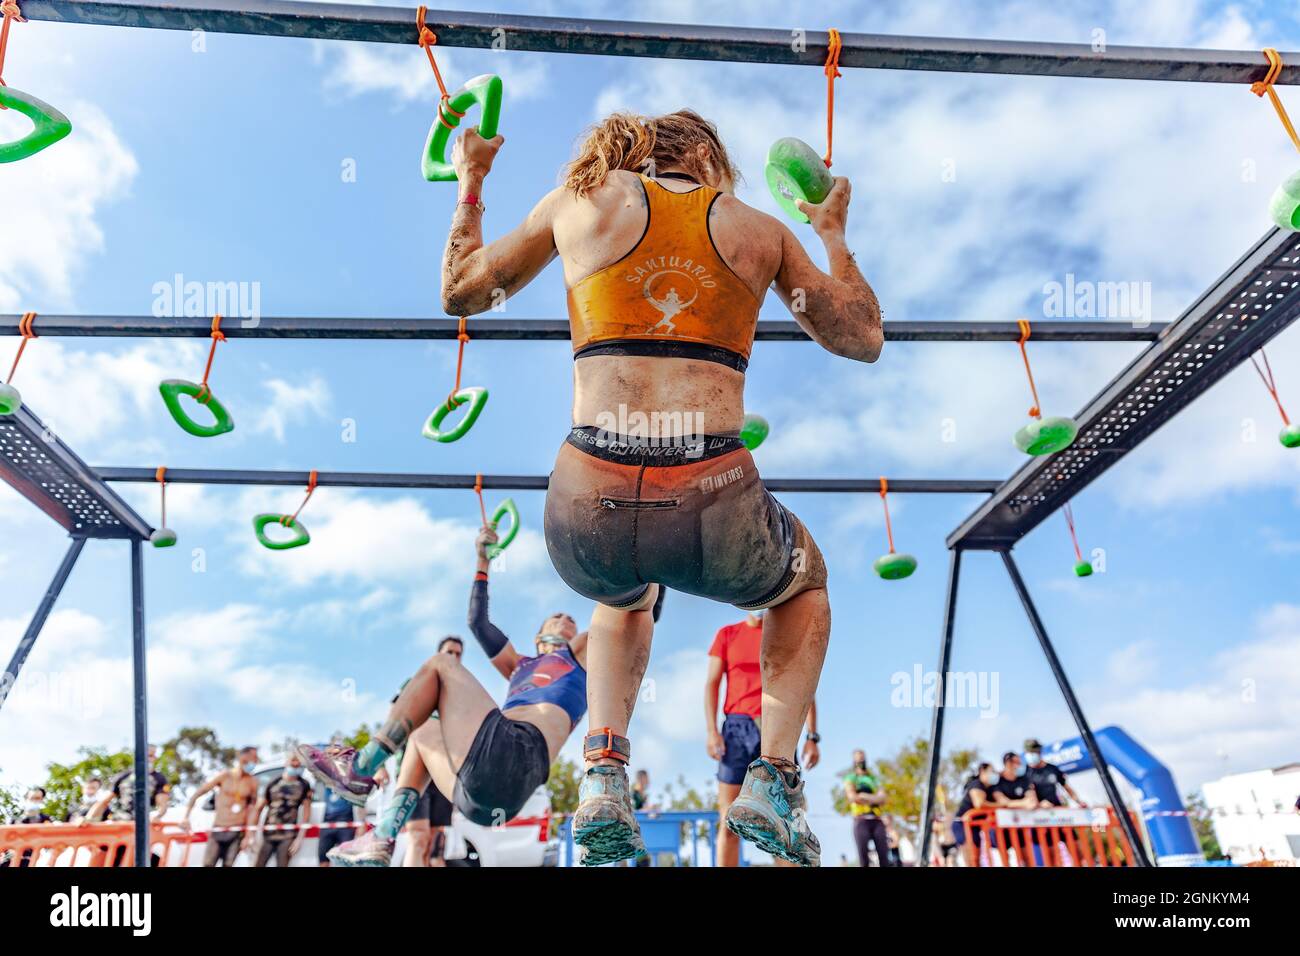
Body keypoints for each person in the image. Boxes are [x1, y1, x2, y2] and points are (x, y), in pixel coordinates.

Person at [436, 108, 881, 866]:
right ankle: (773, 777)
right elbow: (861, 337)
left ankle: (604, 773)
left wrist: (471, 180)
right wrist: (832, 231)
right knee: (803, 585)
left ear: (632, 151)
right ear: (710, 160)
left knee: (621, 594)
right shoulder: (758, 230)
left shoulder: (577, 203)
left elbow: (462, 293)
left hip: (584, 498)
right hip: (710, 486)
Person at [299, 526, 667, 866]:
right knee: (423, 732)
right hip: (481, 795)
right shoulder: (519, 665)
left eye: (570, 619)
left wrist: (651, 548)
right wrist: (482, 560)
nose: (565, 618)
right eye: (557, 617)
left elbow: (630, 614)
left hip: (523, 752)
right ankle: (381, 838)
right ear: (539, 636)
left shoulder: (579, 657)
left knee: (442, 663)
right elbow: (478, 623)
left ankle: (360, 769)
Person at [705, 610, 820, 867]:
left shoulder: (783, 634)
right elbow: (712, 683)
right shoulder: (727, 635)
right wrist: (712, 731)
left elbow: (802, 685)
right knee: (729, 819)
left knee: (783, 821)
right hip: (736, 728)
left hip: (776, 726)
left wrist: (812, 736)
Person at [385, 637, 464, 868]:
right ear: (438, 655)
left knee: (436, 842)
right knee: (418, 838)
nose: (454, 657)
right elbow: (394, 720)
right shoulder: (418, 682)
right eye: (449, 652)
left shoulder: (459, 693)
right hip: (414, 772)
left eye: (458, 653)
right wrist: (380, 765)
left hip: (442, 774)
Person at [81, 744, 172, 867]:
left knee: (147, 860)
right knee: (110, 858)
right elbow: (103, 802)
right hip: (117, 827)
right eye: (149, 755)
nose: (152, 758)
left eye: (153, 755)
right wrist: (87, 819)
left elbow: (162, 804)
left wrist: (157, 815)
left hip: (139, 830)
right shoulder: (123, 776)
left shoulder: (159, 778)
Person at [180, 746, 262, 867]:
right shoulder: (225, 776)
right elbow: (198, 793)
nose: (256, 761)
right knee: (208, 864)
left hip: (236, 831)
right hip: (218, 828)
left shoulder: (253, 782)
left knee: (228, 864)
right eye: (253, 758)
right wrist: (186, 817)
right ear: (243, 757)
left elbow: (252, 810)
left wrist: (248, 836)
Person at [252, 751, 312, 867]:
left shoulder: (304, 785)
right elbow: (258, 808)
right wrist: (253, 836)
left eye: (297, 764)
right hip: (268, 834)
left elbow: (307, 813)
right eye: (292, 762)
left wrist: (299, 839)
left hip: (288, 836)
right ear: (286, 763)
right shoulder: (273, 783)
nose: (295, 766)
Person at [844, 749, 891, 866]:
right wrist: (874, 798)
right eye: (858, 759)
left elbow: (883, 798)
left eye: (863, 759)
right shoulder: (851, 778)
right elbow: (852, 797)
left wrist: (864, 796)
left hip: (877, 820)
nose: (861, 761)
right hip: (861, 820)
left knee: (884, 857)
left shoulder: (873, 778)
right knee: (863, 858)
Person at [952, 762, 997, 867]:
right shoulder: (976, 784)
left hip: (975, 827)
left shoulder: (990, 788)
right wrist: (1002, 805)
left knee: (977, 860)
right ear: (982, 771)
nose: (994, 774)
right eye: (992, 771)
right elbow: (979, 804)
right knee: (973, 859)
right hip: (962, 824)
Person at [1023, 738, 1084, 807]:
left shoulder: (1052, 769)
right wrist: (1040, 804)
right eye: (1029, 752)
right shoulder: (1024, 772)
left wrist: (1079, 802)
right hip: (1037, 812)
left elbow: (1067, 788)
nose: (1032, 755)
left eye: (1034, 752)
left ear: (1039, 752)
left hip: (1057, 809)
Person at [317, 778, 363, 868]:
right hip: (327, 823)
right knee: (323, 860)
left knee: (346, 860)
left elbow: (361, 801)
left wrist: (361, 823)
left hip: (346, 823)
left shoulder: (350, 778)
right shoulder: (325, 775)